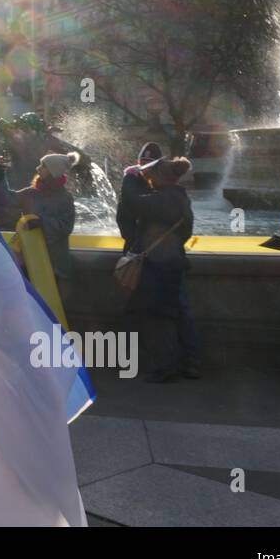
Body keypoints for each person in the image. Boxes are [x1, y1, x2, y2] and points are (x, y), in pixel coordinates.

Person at [125, 156, 196, 383]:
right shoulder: (179, 197)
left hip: (160, 265)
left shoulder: (164, 200)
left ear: (161, 177)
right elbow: (185, 232)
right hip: (172, 260)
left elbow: (132, 201)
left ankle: (166, 367)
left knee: (160, 315)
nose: (148, 180)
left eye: (149, 176)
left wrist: (129, 176)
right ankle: (187, 363)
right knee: (173, 313)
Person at [0, 152, 79, 305]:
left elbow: (66, 226)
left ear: (53, 172)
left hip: (55, 265)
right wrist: (0, 172)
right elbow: (2, 198)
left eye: (43, 166)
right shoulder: (31, 193)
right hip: (28, 260)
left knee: (54, 307)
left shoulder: (65, 198)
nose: (38, 168)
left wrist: (42, 223)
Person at [116, 142, 162, 253]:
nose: (145, 167)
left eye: (148, 163)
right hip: (135, 245)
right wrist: (134, 239)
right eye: (142, 162)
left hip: (157, 245)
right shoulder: (131, 180)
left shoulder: (162, 183)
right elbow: (122, 216)